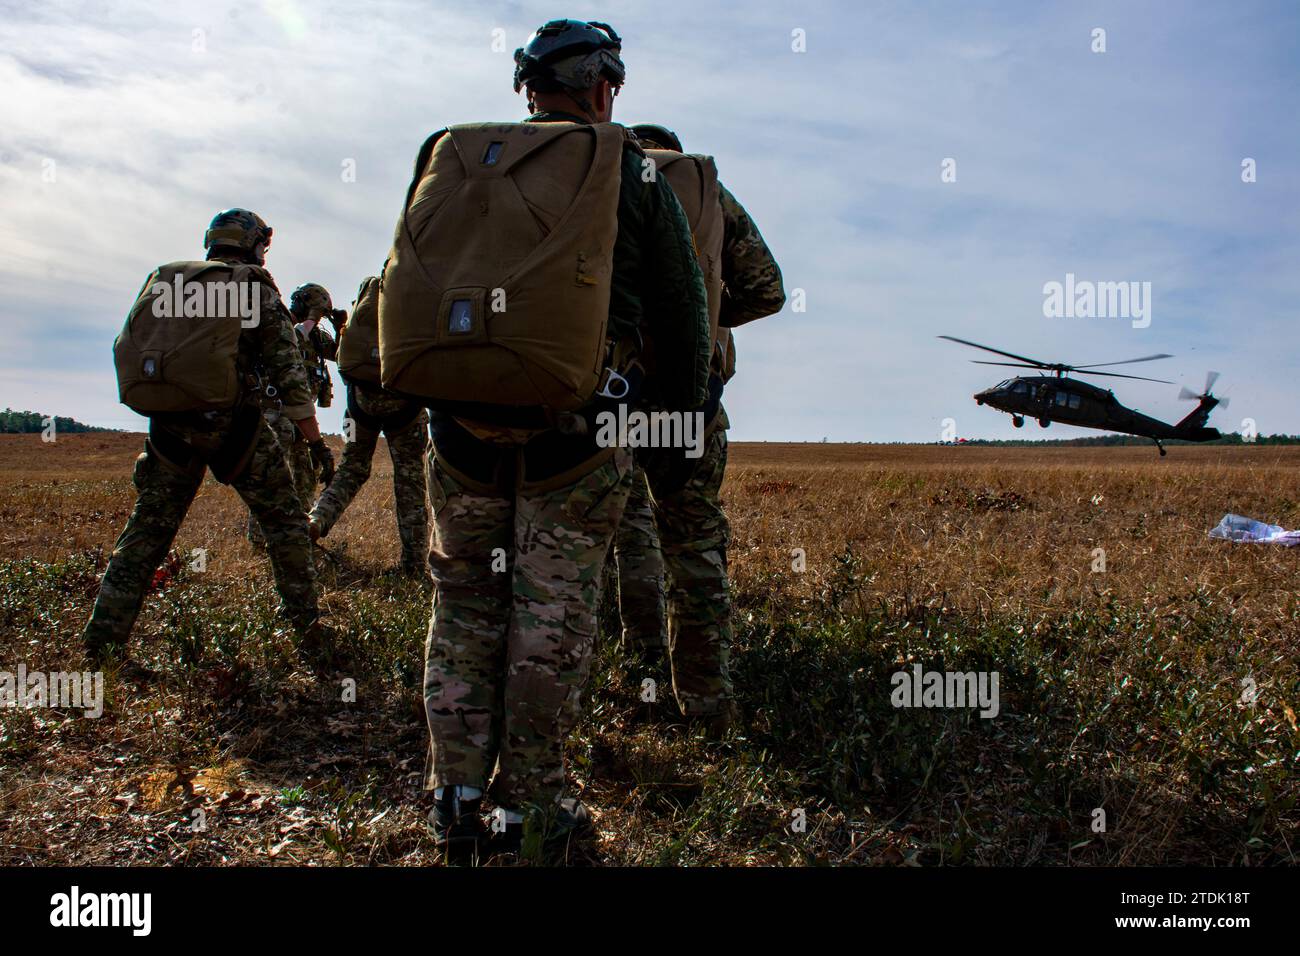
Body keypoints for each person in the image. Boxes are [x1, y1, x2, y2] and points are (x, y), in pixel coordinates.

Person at [402, 19, 711, 853]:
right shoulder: (626, 168)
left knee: (463, 602)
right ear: (601, 84)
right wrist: (679, 452)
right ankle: (531, 806)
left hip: (459, 431)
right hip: (579, 437)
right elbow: (684, 314)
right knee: (552, 617)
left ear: (529, 88)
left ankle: (456, 793)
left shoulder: (455, 155)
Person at [86, 209, 334, 675]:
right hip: (233, 427)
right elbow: (289, 373)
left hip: (169, 428)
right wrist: (316, 442)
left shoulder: (170, 284)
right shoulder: (253, 287)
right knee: (285, 525)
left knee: (147, 533)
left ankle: (103, 644)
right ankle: (309, 634)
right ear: (255, 243)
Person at [611, 123, 786, 734]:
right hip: (689, 399)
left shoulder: (599, 181)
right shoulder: (708, 191)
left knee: (618, 535)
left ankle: (633, 668)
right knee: (693, 544)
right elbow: (768, 290)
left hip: (606, 395)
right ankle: (709, 706)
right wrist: (702, 315)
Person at [309, 276, 431, 581]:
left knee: (352, 468)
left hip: (359, 402)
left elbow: (345, 352)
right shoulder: (418, 291)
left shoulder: (369, 289)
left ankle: (316, 519)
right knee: (410, 479)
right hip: (404, 404)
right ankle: (414, 565)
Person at [247, 283, 338, 546]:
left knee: (306, 475)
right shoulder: (283, 327)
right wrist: (311, 319)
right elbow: (293, 344)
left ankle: (298, 531)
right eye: (316, 311)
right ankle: (259, 538)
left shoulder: (319, 339)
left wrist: (338, 327)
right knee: (273, 475)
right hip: (277, 412)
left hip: (303, 416)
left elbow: (342, 356)